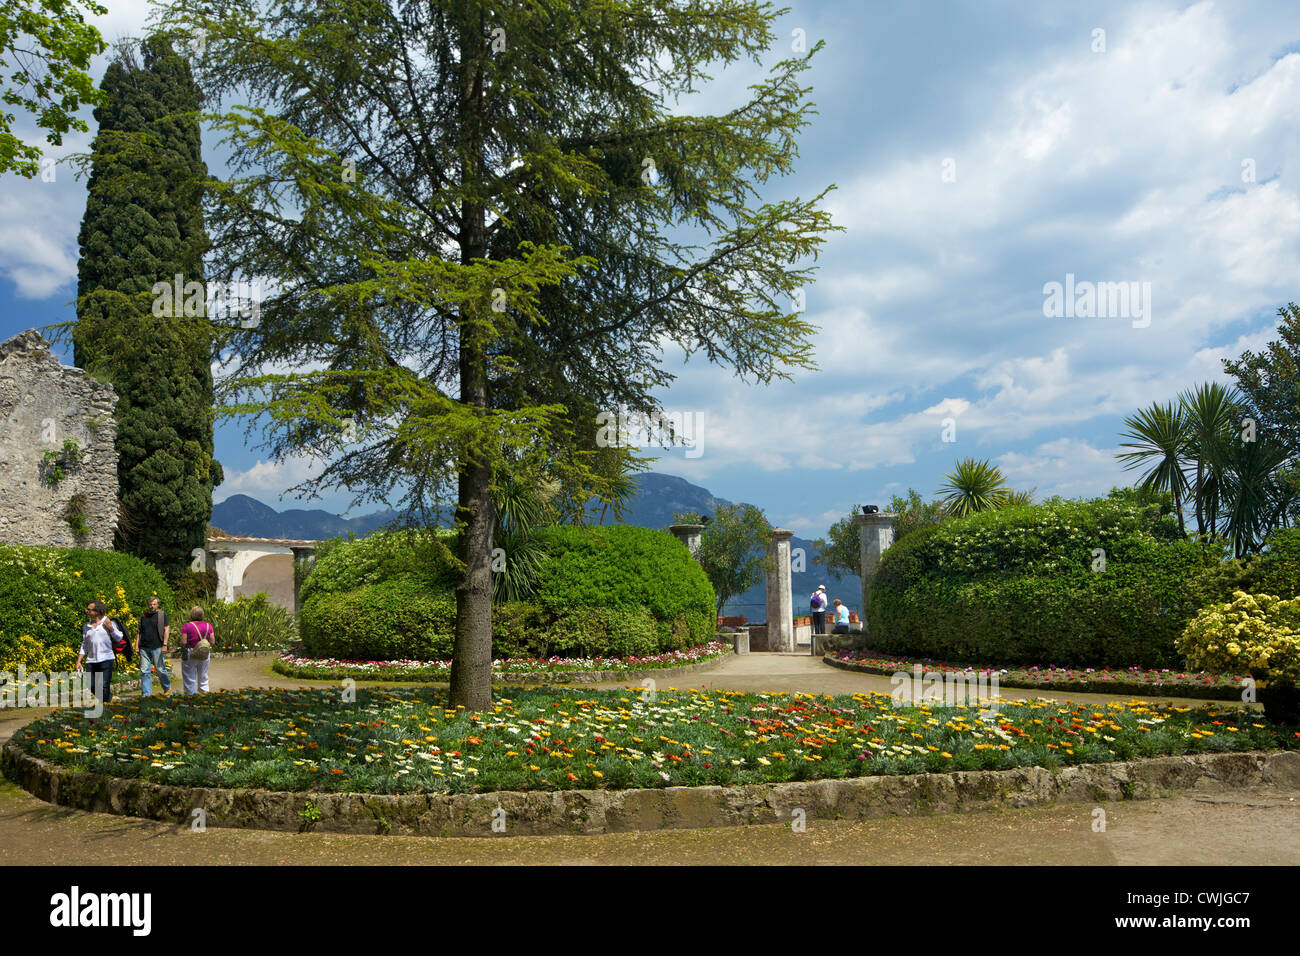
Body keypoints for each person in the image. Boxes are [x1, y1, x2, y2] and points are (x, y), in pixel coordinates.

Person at [76, 601, 122, 706]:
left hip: (106, 658)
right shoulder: (87, 626)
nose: (86, 611)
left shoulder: (107, 622)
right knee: (91, 685)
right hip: (91, 660)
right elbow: (84, 645)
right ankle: (108, 699)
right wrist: (79, 661)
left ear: (97, 611)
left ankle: (105, 707)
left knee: (104, 685)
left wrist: (111, 628)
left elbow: (119, 637)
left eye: (89, 609)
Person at [135, 596, 171, 697]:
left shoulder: (162, 615)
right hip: (144, 647)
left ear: (157, 605)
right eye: (150, 604)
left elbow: (167, 629)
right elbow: (139, 631)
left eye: (154, 604)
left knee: (160, 669)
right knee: (144, 671)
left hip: (157, 646)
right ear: (148, 605)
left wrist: (165, 644)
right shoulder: (143, 616)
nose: (152, 606)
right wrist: (137, 645)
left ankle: (167, 687)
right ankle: (146, 695)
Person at [179, 606, 216, 695]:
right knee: (203, 676)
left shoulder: (187, 626)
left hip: (191, 653)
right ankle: (204, 696)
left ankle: (190, 697)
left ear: (191, 615)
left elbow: (183, 642)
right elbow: (212, 641)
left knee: (189, 678)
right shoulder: (208, 626)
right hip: (204, 654)